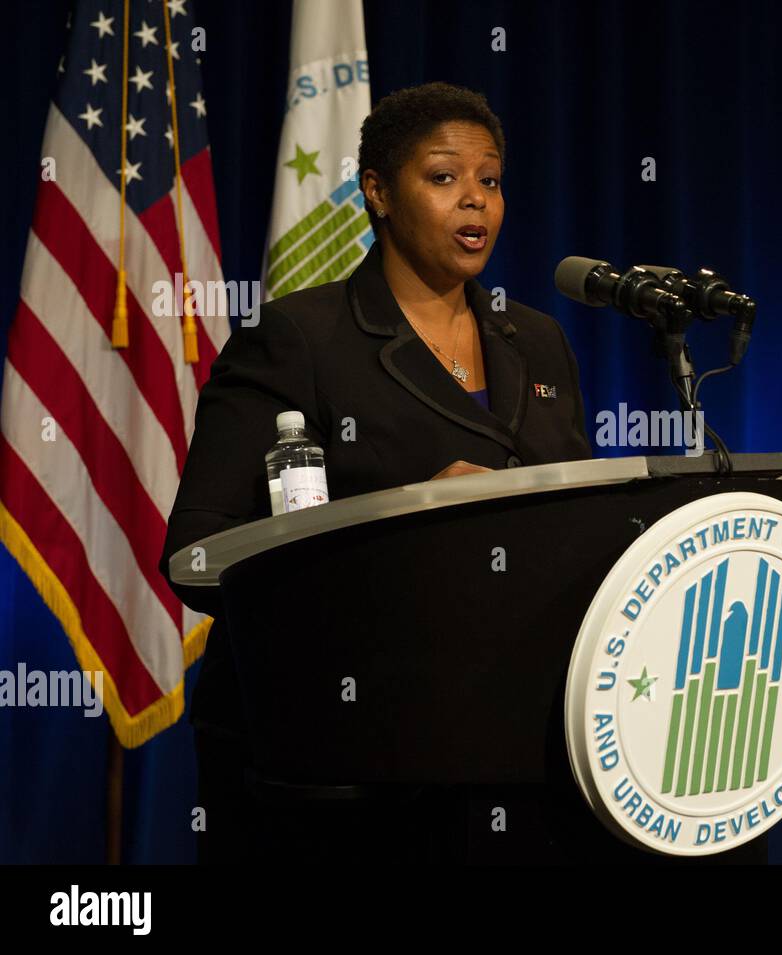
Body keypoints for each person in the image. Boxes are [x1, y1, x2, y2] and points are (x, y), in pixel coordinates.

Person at [158, 82, 592, 862]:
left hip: (518, 748)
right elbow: (198, 552)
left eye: (489, 181)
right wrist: (413, 520)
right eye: (443, 178)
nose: (475, 201)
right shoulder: (300, 338)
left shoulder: (537, 340)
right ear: (379, 193)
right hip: (342, 766)